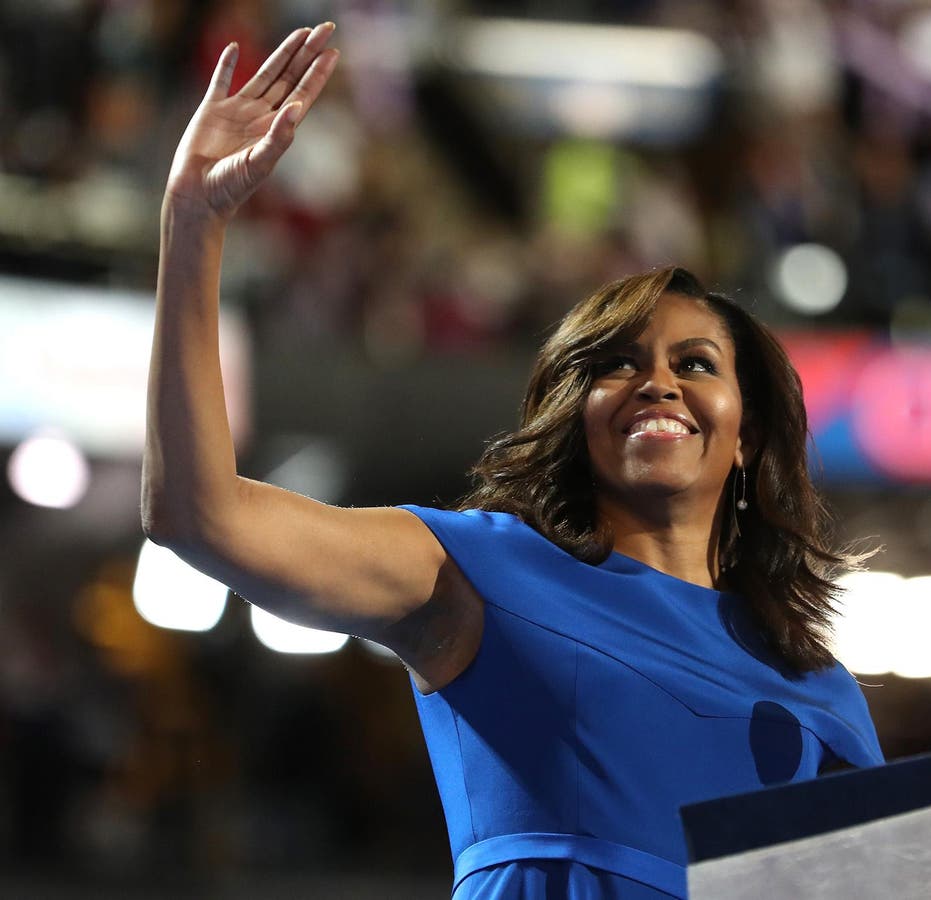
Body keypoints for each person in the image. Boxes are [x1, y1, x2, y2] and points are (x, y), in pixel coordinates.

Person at [142, 22, 884, 899]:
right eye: (616, 364)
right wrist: (193, 225)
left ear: (749, 432)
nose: (656, 384)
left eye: (695, 364)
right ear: (577, 418)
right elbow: (199, 516)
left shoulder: (818, 686)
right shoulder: (477, 572)